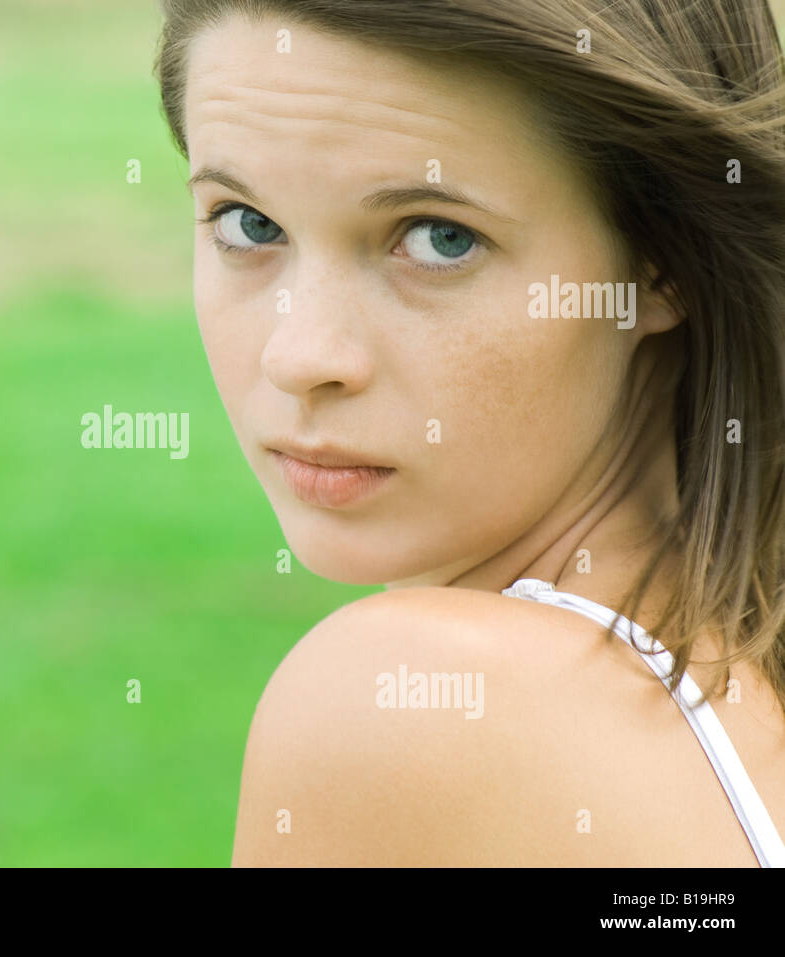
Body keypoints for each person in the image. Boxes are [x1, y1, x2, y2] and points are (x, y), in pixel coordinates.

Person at [153, 0, 785, 865]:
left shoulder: (406, 705)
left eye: (439, 237)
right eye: (248, 224)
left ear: (665, 257)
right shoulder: (744, 679)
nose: (300, 356)